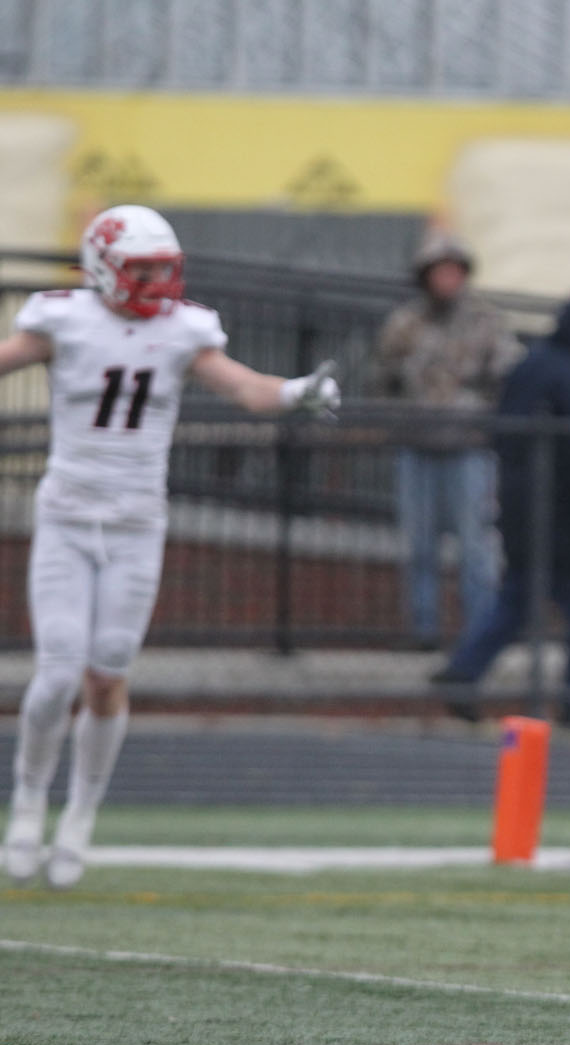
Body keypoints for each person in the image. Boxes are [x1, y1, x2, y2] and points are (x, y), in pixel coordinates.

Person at [0, 204, 340, 888]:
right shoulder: (63, 317)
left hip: (136, 522)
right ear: (103, 267)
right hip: (68, 515)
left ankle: (82, 817)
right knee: (58, 675)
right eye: (143, 269)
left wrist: (298, 391)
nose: (158, 282)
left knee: (108, 672)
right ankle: (29, 803)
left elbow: (244, 388)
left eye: (165, 269)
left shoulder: (186, 330)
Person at [430, 292, 570, 727]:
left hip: (521, 513)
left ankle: (463, 672)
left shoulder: (530, 366)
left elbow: (504, 437)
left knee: (515, 599)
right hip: (569, 523)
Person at [374, 231, 520, 650]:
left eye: (455, 270)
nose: (448, 279)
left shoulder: (485, 322)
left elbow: (507, 376)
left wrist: (485, 417)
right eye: (440, 271)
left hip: (469, 448)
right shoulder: (404, 324)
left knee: (476, 548)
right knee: (419, 546)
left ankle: (480, 633)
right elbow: (384, 379)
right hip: (416, 446)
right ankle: (424, 630)